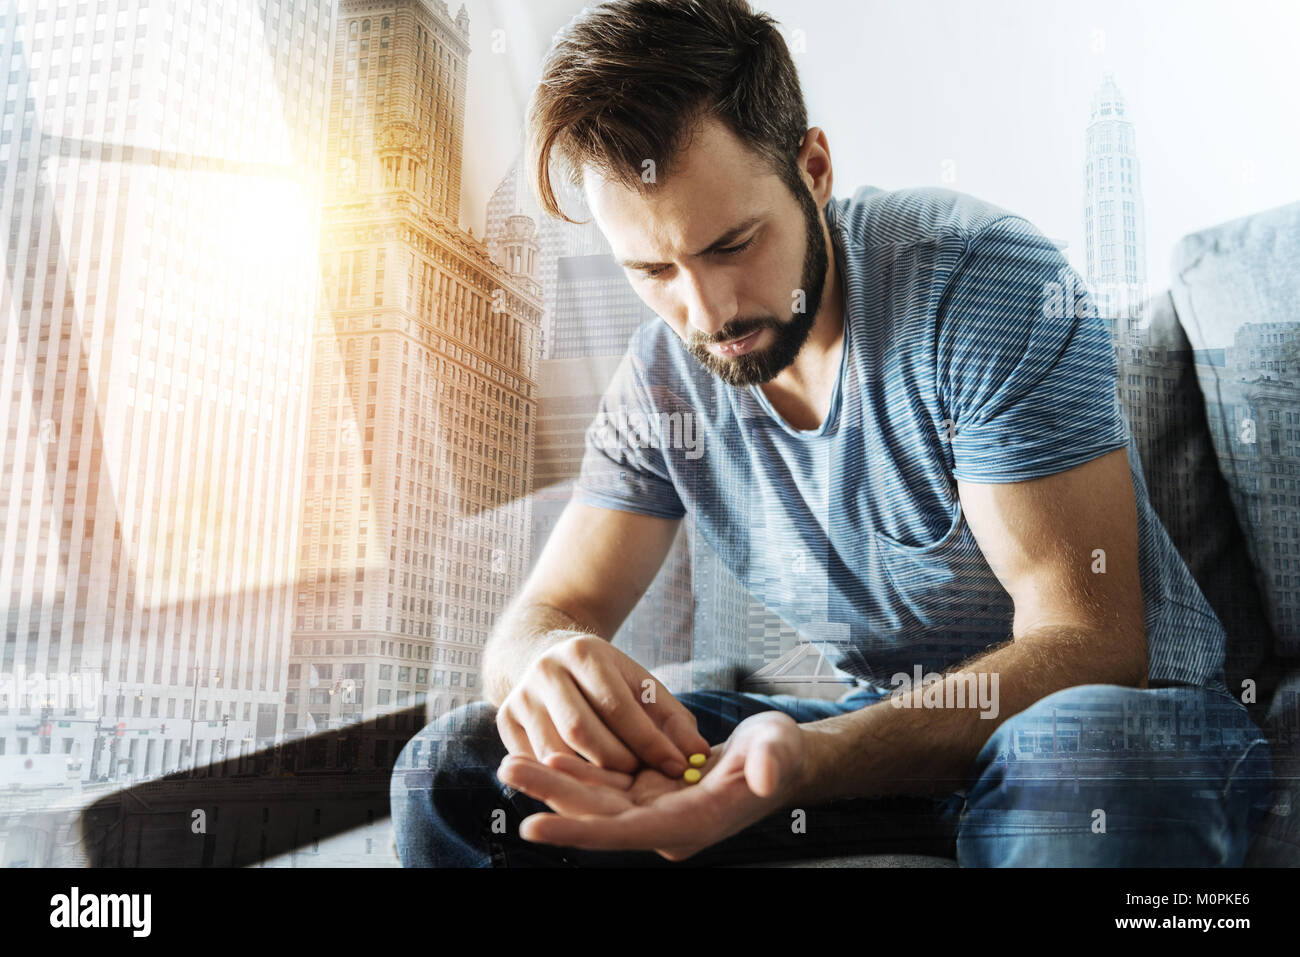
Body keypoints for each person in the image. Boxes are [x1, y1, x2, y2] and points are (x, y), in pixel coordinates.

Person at [390, 0, 1273, 867]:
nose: (706, 311)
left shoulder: (980, 281)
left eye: (734, 243)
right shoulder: (660, 379)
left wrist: (809, 764)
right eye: (654, 269)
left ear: (813, 167)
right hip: (868, 741)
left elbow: (1091, 643)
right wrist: (545, 663)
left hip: (1112, 723)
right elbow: (544, 615)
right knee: (455, 769)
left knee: (1082, 771)